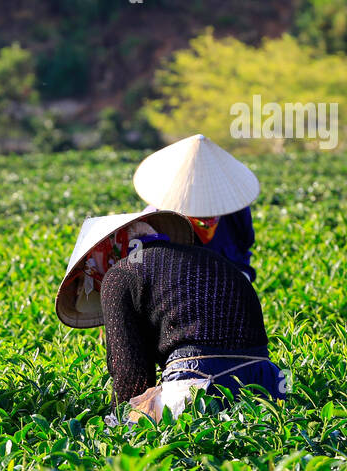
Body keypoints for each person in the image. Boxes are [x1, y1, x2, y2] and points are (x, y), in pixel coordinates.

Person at [56, 210, 285, 420]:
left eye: (91, 264)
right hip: (271, 385)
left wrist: (118, 425)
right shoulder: (208, 258)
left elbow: (130, 373)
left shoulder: (121, 273)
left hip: (199, 386)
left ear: (107, 250)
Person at [133, 133, 260, 281]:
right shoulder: (153, 221)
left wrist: (241, 277)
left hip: (228, 285)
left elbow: (243, 248)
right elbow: (142, 274)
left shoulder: (235, 210)